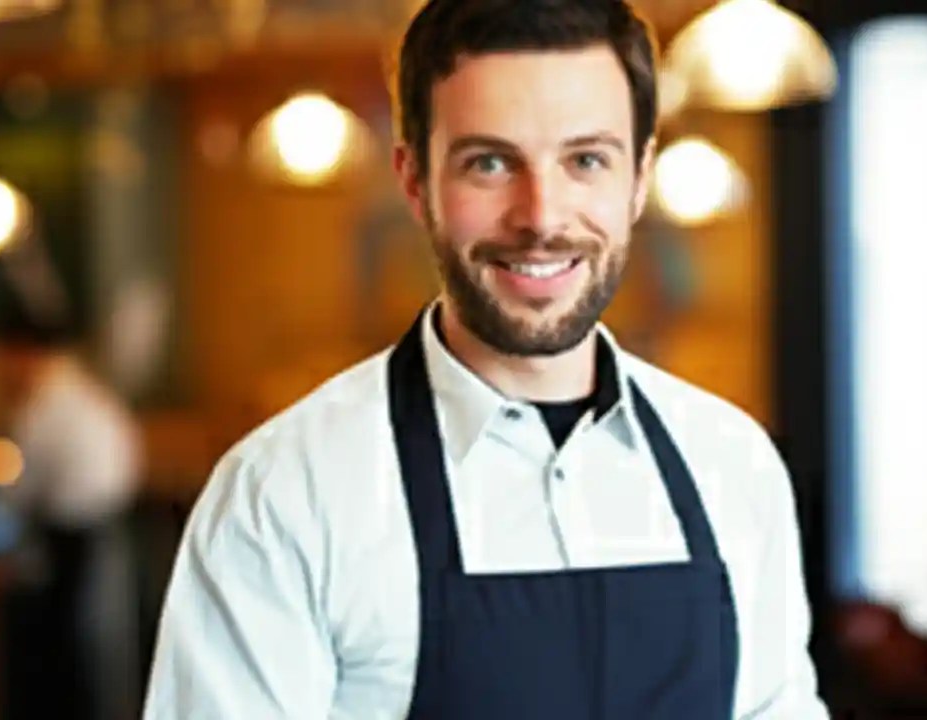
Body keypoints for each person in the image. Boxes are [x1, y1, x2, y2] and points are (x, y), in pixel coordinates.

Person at [144, 0, 828, 717]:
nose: (540, 216)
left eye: (585, 159)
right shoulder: (285, 493)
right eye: (490, 163)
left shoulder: (733, 467)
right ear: (414, 180)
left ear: (639, 178)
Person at [0, 272, 142, 720]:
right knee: (100, 652)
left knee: (71, 652)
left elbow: (19, 491)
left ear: (20, 352)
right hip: (110, 528)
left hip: (79, 536)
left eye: (1, 356)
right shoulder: (80, 389)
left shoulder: (47, 400)